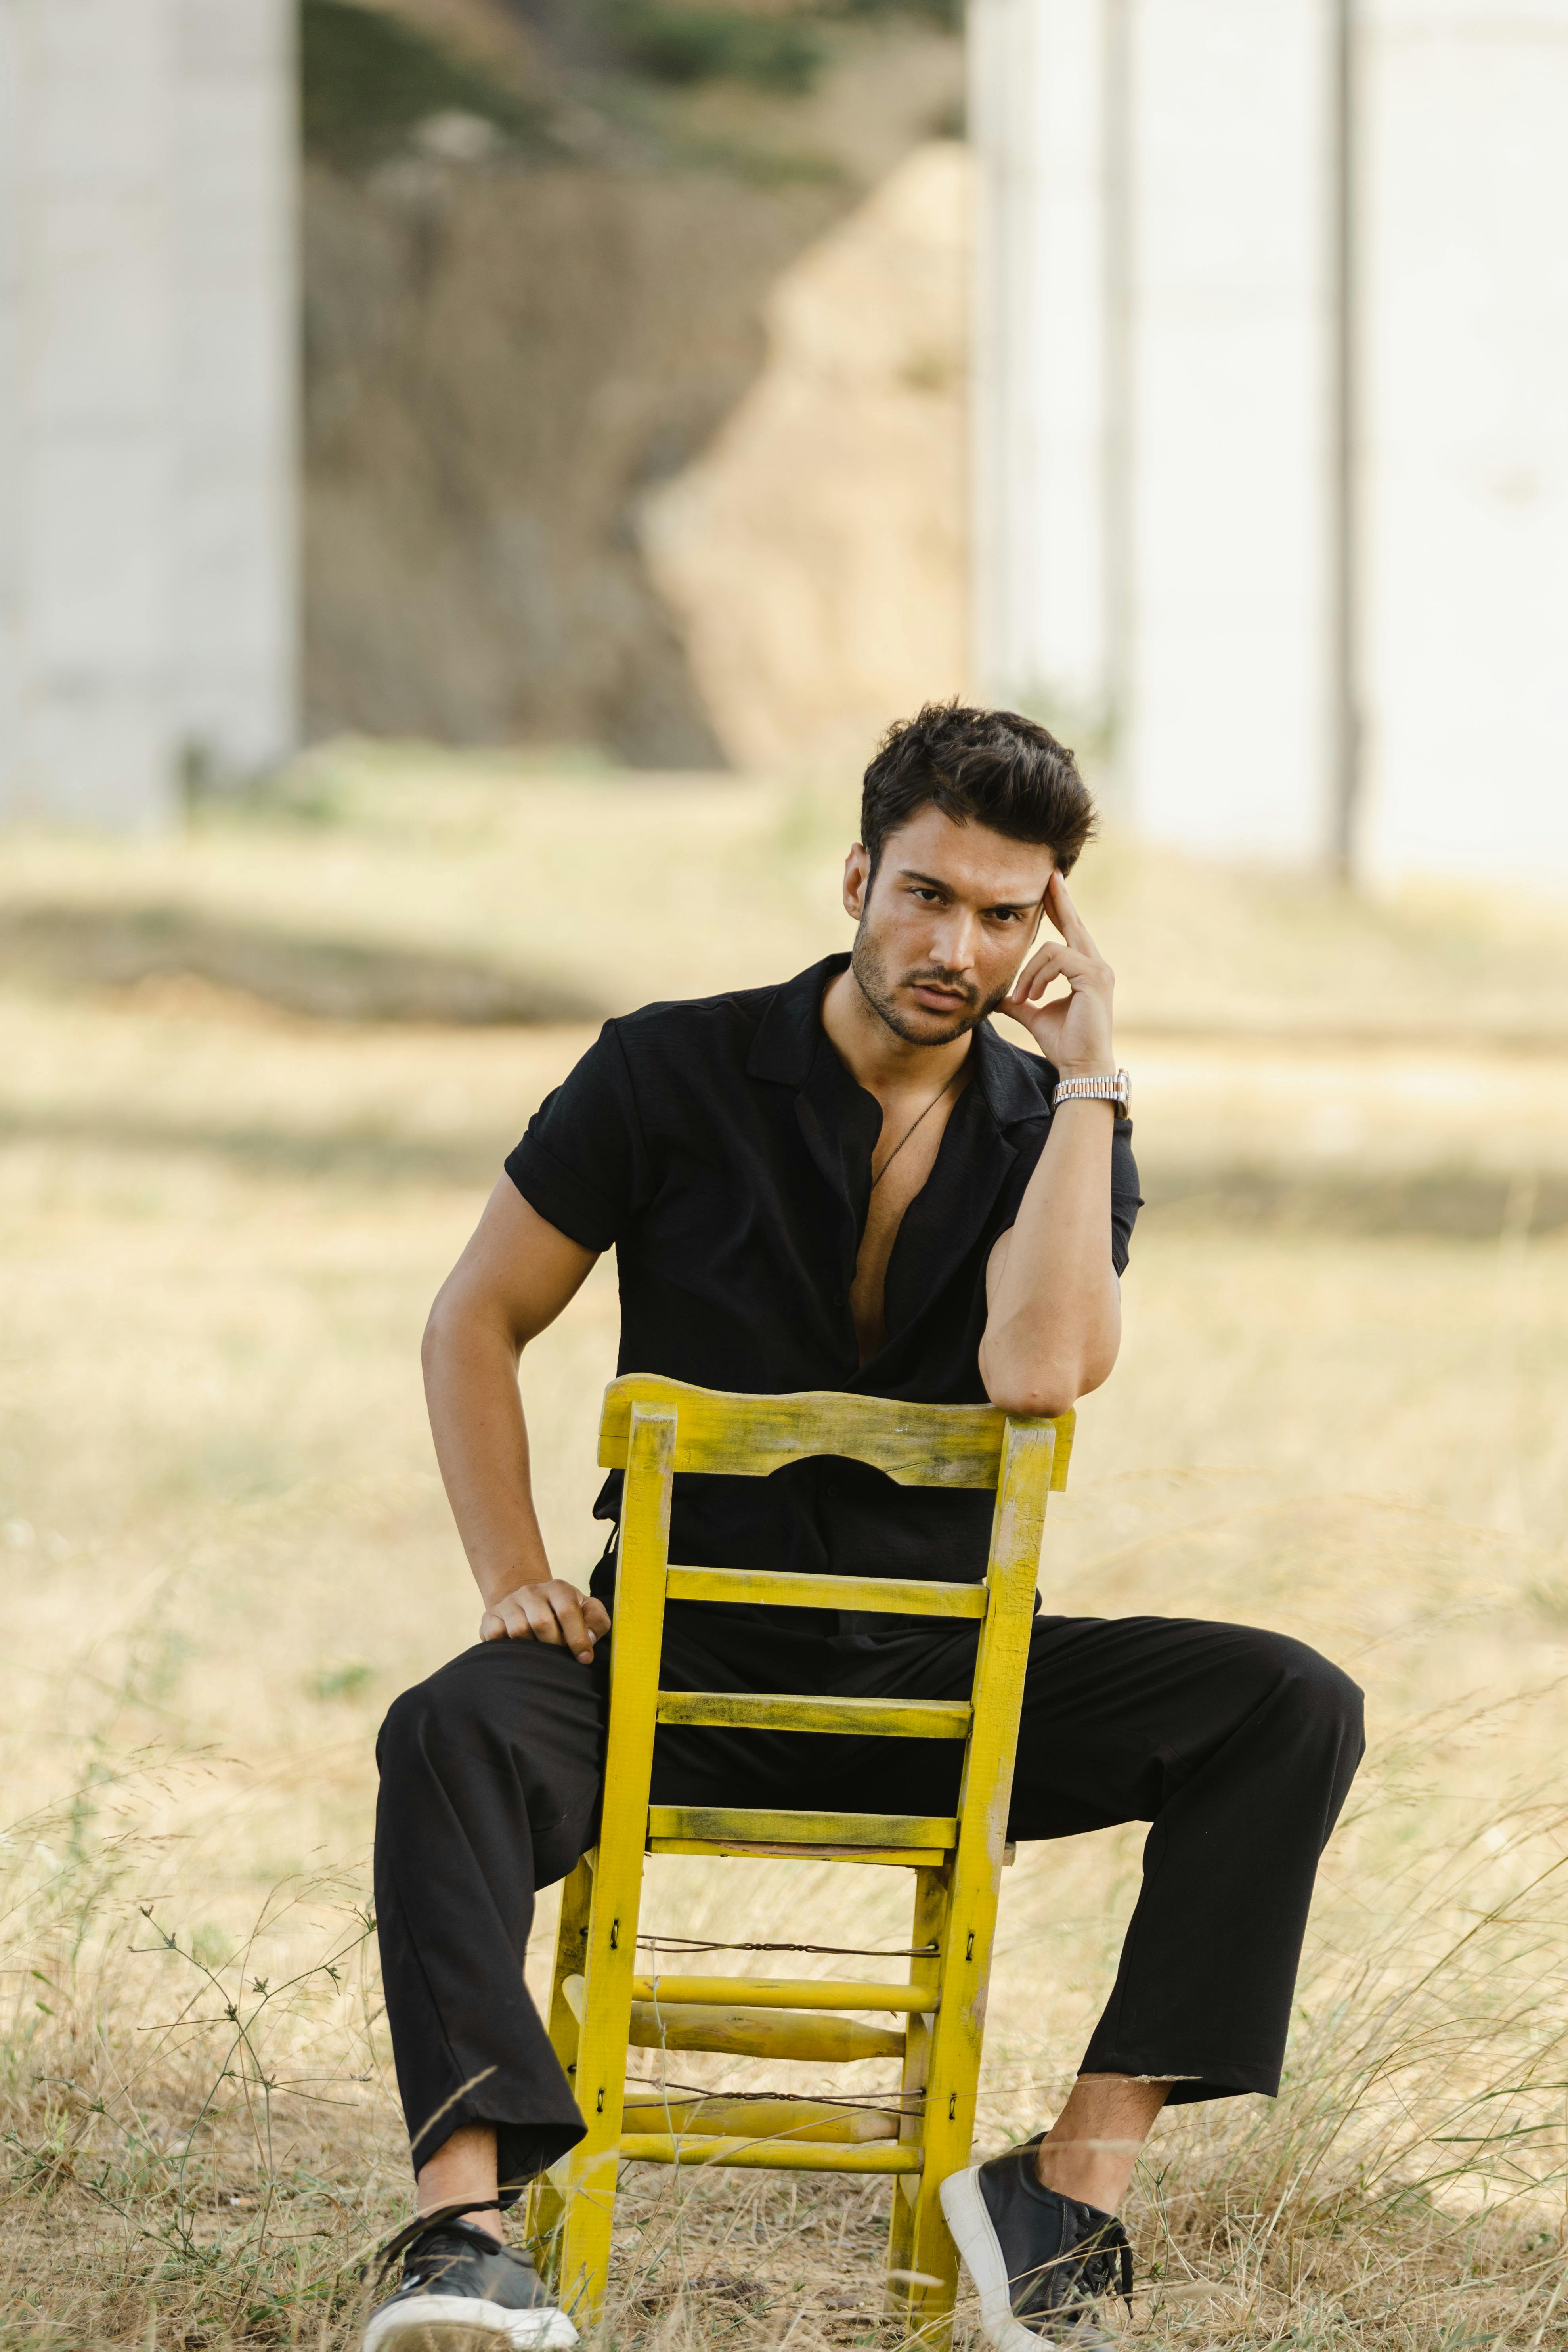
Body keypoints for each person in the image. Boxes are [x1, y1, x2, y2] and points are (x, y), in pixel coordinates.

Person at [364, 704, 1365, 2351]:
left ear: (1047, 923)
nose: (952, 943)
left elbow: (1038, 1369)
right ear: (854, 874)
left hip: (943, 1694)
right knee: (444, 1730)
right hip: (664, 1679)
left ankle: (1062, 2192)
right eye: (923, 894)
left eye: (1001, 912)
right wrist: (513, 1573)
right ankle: (464, 2233)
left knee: (1284, 1700)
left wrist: (1091, 1073)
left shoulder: (1060, 1126)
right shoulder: (666, 1067)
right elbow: (474, 1315)